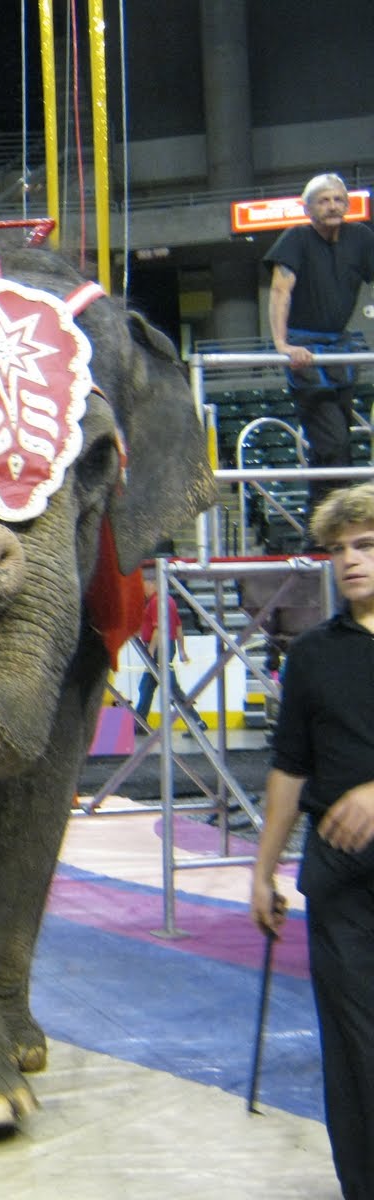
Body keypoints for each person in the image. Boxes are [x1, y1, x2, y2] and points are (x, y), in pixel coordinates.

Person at [252, 481, 374, 1200]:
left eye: (365, 545)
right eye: (338, 550)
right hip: (339, 872)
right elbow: (289, 767)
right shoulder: (314, 657)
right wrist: (263, 871)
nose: (349, 562)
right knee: (355, 1046)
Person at [264, 173, 374, 515]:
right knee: (333, 443)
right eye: (324, 200)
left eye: (339, 199)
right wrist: (282, 344)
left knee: (335, 444)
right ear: (308, 208)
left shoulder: (360, 237)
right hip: (305, 350)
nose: (333, 206)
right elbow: (281, 290)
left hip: (341, 349)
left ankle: (321, 526)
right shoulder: (296, 238)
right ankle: (336, 524)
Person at [133, 571, 195, 725]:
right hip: (167, 645)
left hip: (160, 648)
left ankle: (195, 720)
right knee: (146, 687)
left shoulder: (156, 602)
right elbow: (179, 627)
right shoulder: (169, 601)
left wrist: (151, 650)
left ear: (152, 584)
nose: (143, 591)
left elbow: (157, 629)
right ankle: (140, 723)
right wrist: (181, 650)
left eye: (144, 586)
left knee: (172, 688)